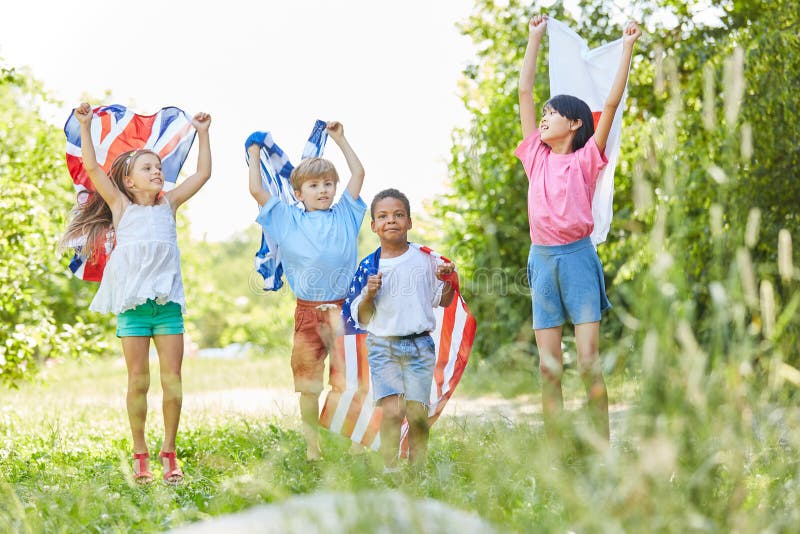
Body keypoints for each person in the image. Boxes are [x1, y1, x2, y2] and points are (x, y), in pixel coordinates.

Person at [59, 102, 212, 484]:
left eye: (159, 167)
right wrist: (86, 126)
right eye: (148, 168)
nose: (157, 171)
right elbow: (93, 169)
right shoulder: (120, 206)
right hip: (133, 311)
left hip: (167, 309)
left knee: (173, 380)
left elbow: (204, 173)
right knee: (138, 381)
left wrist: (204, 134)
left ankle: (169, 453)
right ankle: (140, 453)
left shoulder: (170, 205)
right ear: (128, 181)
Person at [515, 15, 641, 440]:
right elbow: (525, 90)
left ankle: (600, 444)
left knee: (588, 361)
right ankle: (556, 451)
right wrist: (535, 37)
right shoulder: (536, 156)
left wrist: (626, 48)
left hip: (578, 259)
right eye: (544, 114)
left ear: (574, 124)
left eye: (554, 113)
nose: (544, 116)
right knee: (550, 366)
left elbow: (612, 100)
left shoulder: (587, 160)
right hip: (543, 260)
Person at [248, 121, 366, 461]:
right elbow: (257, 190)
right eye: (314, 185)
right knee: (309, 386)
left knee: (348, 383)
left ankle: (353, 443)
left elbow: (359, 174)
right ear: (299, 194)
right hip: (308, 313)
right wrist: (255, 152)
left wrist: (340, 139)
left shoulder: (346, 213)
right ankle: (313, 447)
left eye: (328, 184)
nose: (324, 190)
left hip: (345, 313)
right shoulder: (287, 218)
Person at [349, 189, 455, 472]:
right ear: (373, 226)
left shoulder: (425, 260)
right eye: (382, 216)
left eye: (398, 215)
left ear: (409, 221)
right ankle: (390, 469)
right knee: (393, 411)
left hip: (420, 346)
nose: (391, 221)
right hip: (383, 346)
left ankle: (418, 471)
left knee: (417, 413)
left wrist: (447, 281)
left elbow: (443, 300)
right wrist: (369, 294)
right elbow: (362, 317)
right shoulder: (369, 267)